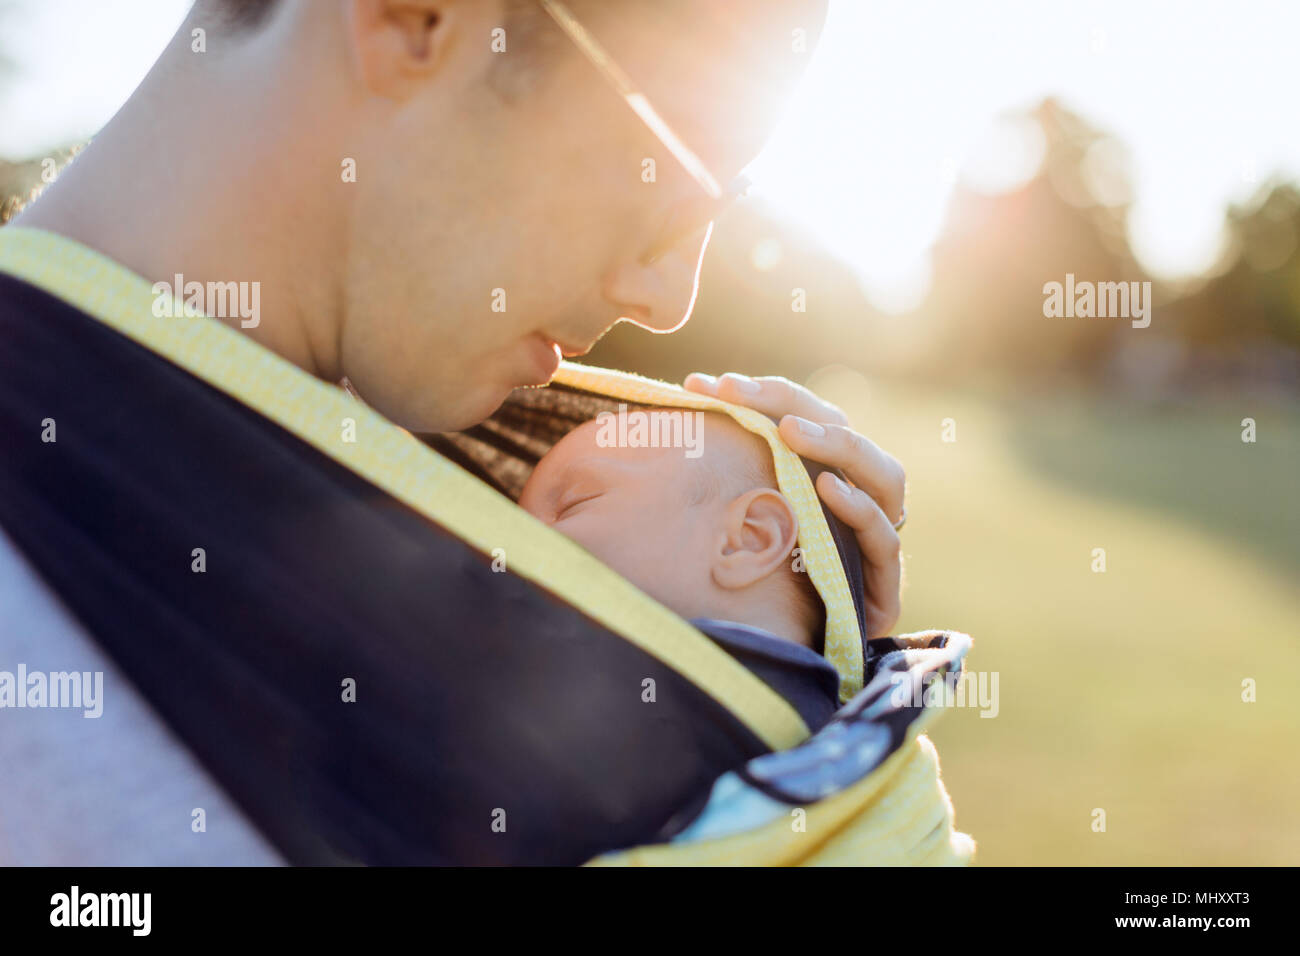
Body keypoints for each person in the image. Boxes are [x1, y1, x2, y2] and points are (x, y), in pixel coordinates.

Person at [0, 0, 911, 864]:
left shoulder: (407, 469)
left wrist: (787, 682)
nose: (672, 299)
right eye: (684, 172)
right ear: (418, 19)